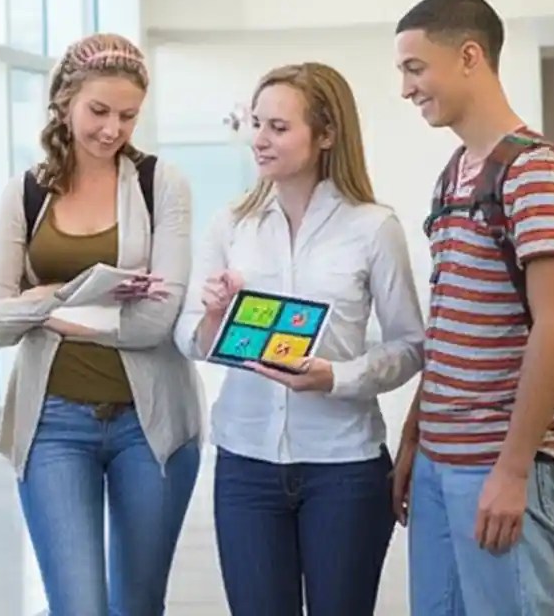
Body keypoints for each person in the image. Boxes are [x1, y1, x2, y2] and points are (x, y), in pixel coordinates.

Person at [174, 62, 425, 615]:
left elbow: (411, 345)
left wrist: (337, 377)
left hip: (345, 469)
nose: (259, 140)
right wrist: (215, 314)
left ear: (327, 134)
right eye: (255, 123)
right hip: (246, 466)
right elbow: (190, 338)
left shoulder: (372, 227)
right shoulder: (230, 225)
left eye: (278, 128)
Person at [0, 33, 201, 615]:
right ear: (64, 102)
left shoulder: (161, 185)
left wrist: (52, 314)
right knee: (78, 606)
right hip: (53, 422)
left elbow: (157, 320)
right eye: (98, 111)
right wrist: (65, 295)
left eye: (128, 116)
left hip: (149, 426)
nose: (112, 129)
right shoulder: (25, 192)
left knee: (138, 606)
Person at [392, 0, 554, 615]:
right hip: (440, 464)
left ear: (469, 55)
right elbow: (449, 323)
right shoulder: (455, 172)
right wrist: (415, 436)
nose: (406, 88)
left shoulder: (535, 172)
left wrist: (514, 470)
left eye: (415, 68)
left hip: (495, 466)